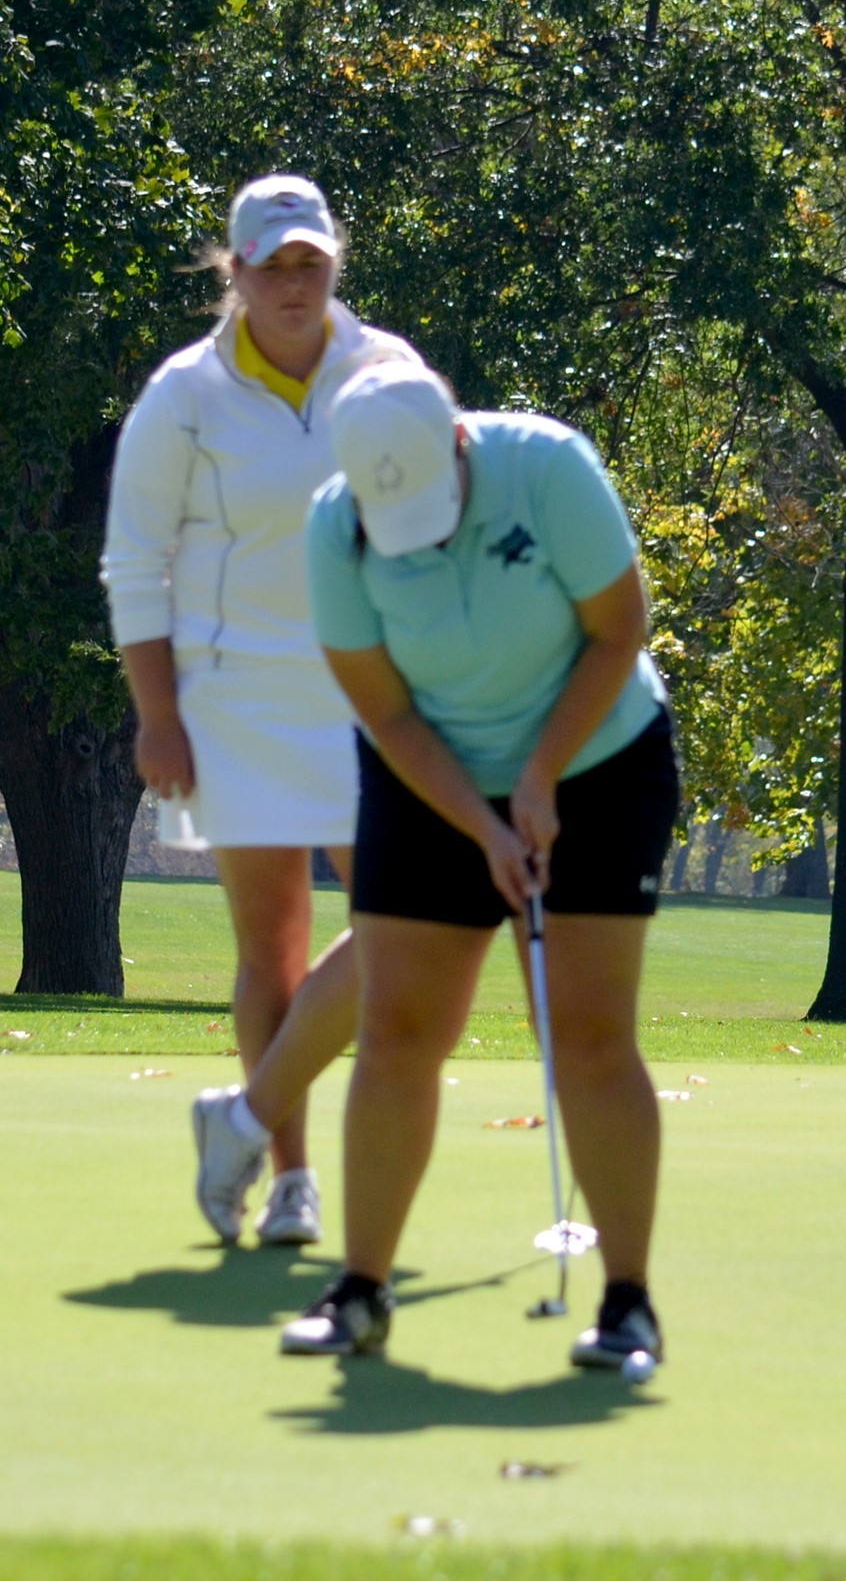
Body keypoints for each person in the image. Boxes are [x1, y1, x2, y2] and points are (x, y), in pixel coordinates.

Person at [192, 363, 680, 1371]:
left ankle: (627, 1302)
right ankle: (362, 1291)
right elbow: (388, 713)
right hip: (430, 773)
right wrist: (485, 824)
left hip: (596, 757)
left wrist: (539, 780)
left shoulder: (547, 468)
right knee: (399, 1023)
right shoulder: (339, 533)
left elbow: (617, 629)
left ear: (459, 443)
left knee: (584, 1029)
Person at [101, 176, 422, 1247]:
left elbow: (441, 513)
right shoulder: (183, 395)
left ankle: (239, 1117)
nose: (292, 284)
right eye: (271, 266)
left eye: (309, 264)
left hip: (370, 694)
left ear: (335, 265)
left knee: (399, 918)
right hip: (233, 693)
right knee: (273, 942)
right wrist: (159, 714)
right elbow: (135, 562)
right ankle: (289, 1179)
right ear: (232, 274)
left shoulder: (387, 372)